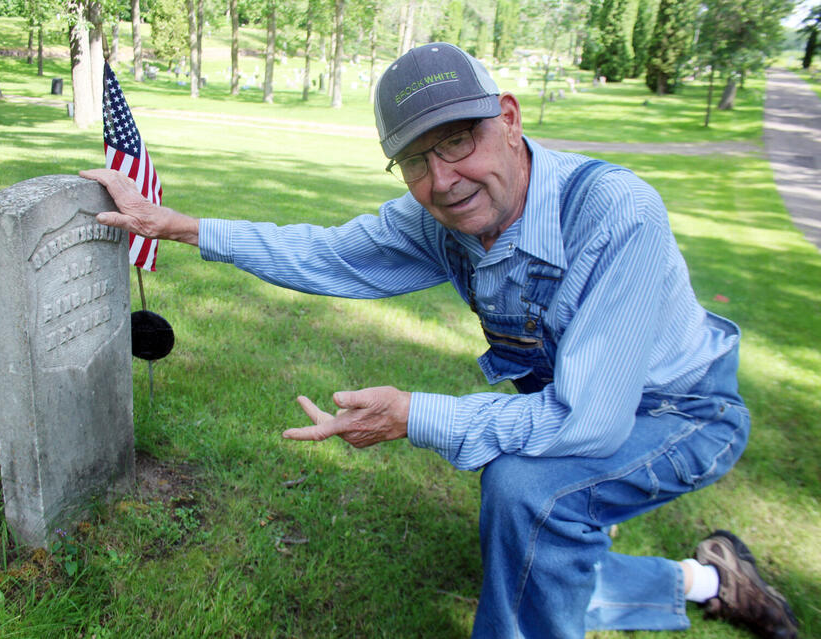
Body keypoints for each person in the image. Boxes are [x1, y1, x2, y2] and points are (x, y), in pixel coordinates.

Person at [82, 42, 798, 639]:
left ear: (509, 119)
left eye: (458, 139)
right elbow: (327, 252)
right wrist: (179, 226)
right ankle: (709, 579)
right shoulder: (439, 219)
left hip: (679, 413)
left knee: (527, 492)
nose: (443, 180)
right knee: (532, 549)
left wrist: (412, 414)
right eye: (416, 159)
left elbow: (590, 419)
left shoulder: (616, 214)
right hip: (578, 400)